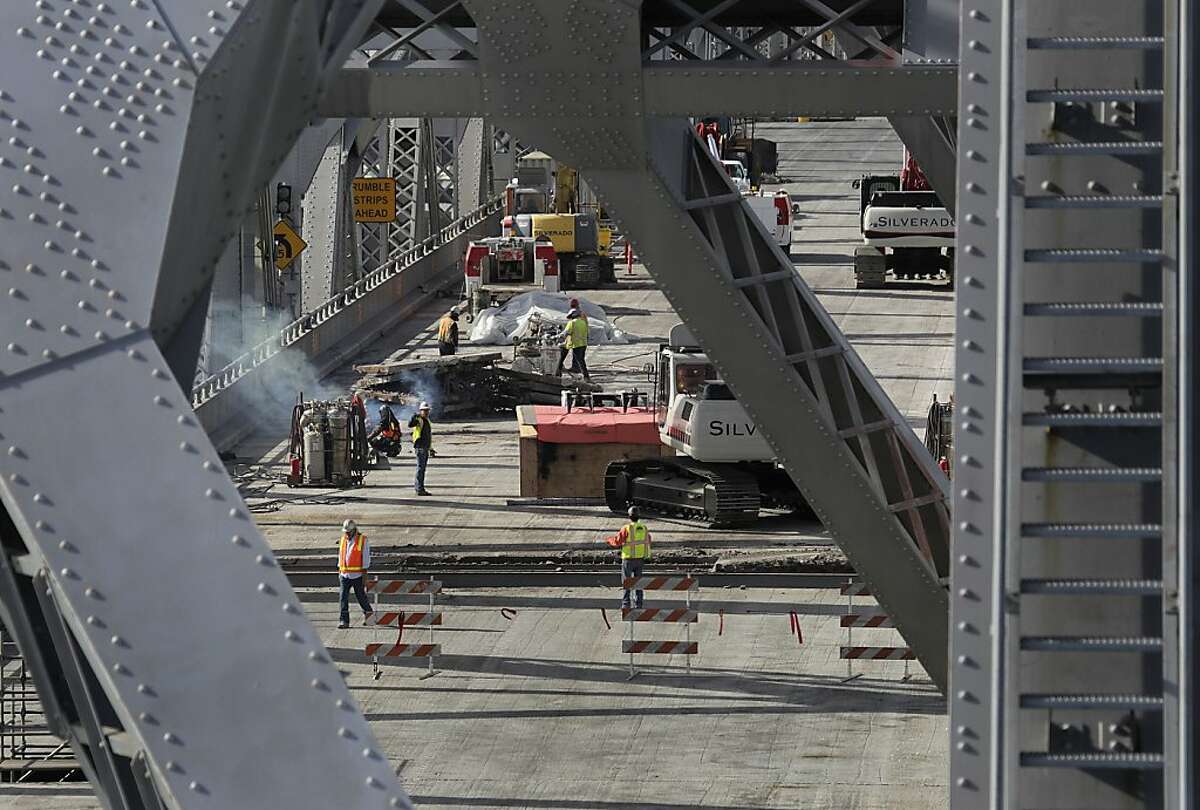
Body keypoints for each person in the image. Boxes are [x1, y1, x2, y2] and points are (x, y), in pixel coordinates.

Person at [606, 507, 652, 609]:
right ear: (639, 516)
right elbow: (648, 541)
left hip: (628, 559)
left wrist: (609, 540)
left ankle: (626, 604)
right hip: (640, 559)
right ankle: (639, 604)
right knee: (638, 582)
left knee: (627, 582)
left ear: (629, 516)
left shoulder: (626, 528)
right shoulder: (644, 528)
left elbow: (617, 541)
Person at [337, 519, 374, 628]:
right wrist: (339, 570)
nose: (346, 534)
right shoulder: (343, 539)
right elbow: (341, 555)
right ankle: (344, 621)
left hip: (357, 575)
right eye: (345, 532)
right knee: (343, 598)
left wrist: (364, 573)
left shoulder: (362, 540)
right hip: (344, 575)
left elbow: (365, 556)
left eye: (348, 532)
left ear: (354, 530)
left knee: (361, 597)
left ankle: (370, 617)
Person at [555, 308, 591, 381]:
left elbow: (566, 332)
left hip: (575, 344)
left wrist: (557, 336)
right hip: (583, 344)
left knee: (562, 358)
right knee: (581, 361)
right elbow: (587, 333)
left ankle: (558, 373)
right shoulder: (583, 322)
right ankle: (586, 376)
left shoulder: (572, 323)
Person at [409, 401, 433, 495]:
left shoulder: (427, 421)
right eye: (424, 410)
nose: (426, 412)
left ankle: (419, 488)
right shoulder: (419, 420)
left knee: (422, 469)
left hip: (425, 447)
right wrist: (414, 416)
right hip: (420, 447)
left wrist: (430, 448)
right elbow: (410, 424)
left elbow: (428, 436)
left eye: (427, 410)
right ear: (420, 411)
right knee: (420, 468)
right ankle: (419, 489)